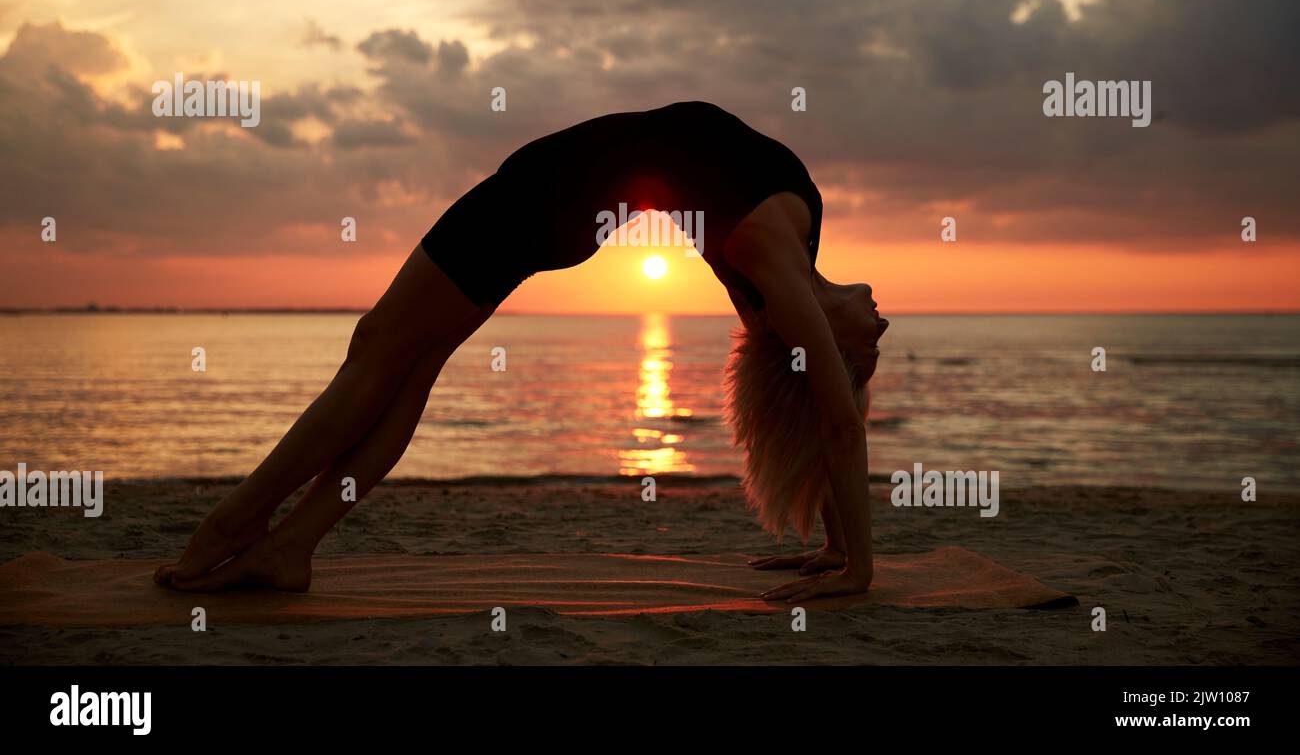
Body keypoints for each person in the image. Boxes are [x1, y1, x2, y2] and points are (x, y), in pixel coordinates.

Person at [155, 101, 888, 603]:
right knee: (411, 363)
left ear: (825, 346)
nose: (882, 328)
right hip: (551, 206)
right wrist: (832, 540)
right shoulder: (798, 241)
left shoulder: (772, 271)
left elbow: (836, 422)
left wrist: (857, 568)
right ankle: (290, 549)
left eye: (864, 358)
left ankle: (235, 522)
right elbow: (818, 413)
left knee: (377, 348)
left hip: (538, 202)